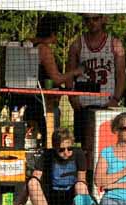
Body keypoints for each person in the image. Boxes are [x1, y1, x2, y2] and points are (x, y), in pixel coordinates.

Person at [3, 128, 89, 205]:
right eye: (61, 150)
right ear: (54, 147)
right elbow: (32, 182)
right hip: (50, 202)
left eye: (70, 148)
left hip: (71, 203)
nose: (66, 153)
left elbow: (82, 180)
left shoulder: (79, 154)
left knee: (81, 185)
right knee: (33, 181)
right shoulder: (47, 155)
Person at [65, 14, 126, 153]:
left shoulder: (115, 44)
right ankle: (85, 174)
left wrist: (116, 99)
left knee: (107, 145)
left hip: (106, 103)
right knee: (85, 148)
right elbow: (69, 73)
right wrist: (72, 97)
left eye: (95, 18)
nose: (92, 22)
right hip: (84, 104)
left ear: (103, 19)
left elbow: (121, 74)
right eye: (88, 19)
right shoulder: (77, 44)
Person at [25, 15, 84, 144]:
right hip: (43, 103)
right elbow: (56, 78)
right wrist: (75, 72)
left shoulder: (28, 44)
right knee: (51, 136)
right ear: (52, 33)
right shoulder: (44, 49)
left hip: (28, 101)